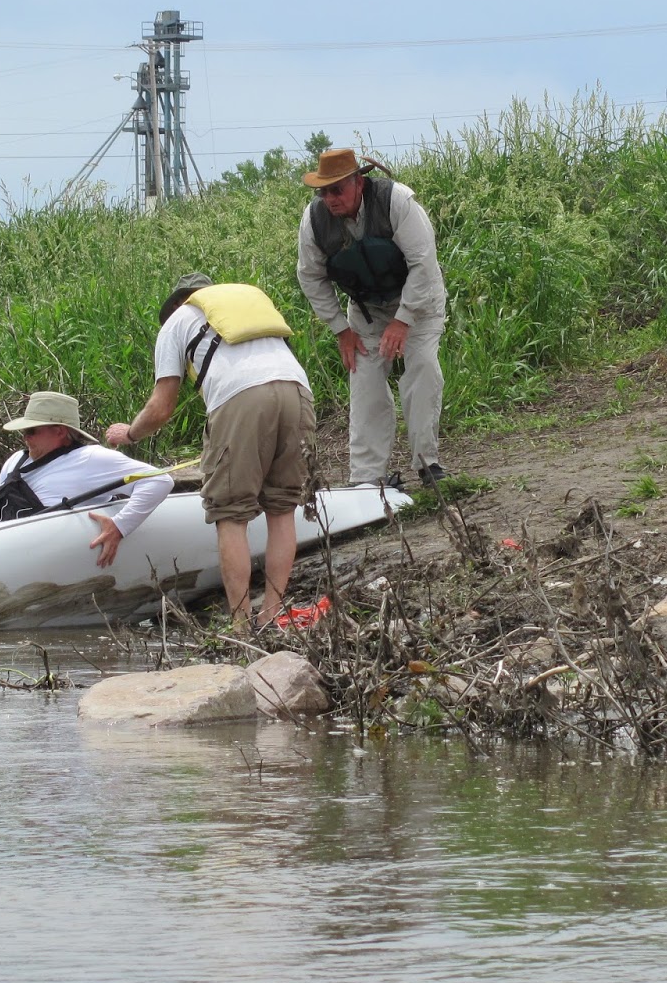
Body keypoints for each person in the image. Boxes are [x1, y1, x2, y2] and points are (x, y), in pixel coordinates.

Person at [106, 273, 314, 629]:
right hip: (298, 392)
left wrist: (130, 433)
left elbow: (161, 407)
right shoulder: (247, 306)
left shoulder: (176, 322)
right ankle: (271, 616)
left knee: (230, 514)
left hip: (241, 399)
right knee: (282, 509)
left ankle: (241, 627)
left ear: (178, 303)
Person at [296, 147, 448, 488]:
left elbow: (423, 263)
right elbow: (310, 276)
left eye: (337, 189)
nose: (330, 198)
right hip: (366, 311)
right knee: (364, 383)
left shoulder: (397, 202)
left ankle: (428, 464)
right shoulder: (315, 221)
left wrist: (403, 319)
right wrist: (340, 330)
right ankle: (367, 478)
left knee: (422, 369)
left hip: (419, 303)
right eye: (324, 191)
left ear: (358, 184)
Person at [0, 390, 174, 568]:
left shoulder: (90, 458)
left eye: (31, 431)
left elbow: (158, 481)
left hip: (44, 562)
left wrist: (119, 526)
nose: (25, 437)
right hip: (0, 555)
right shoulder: (15, 462)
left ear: (60, 431)